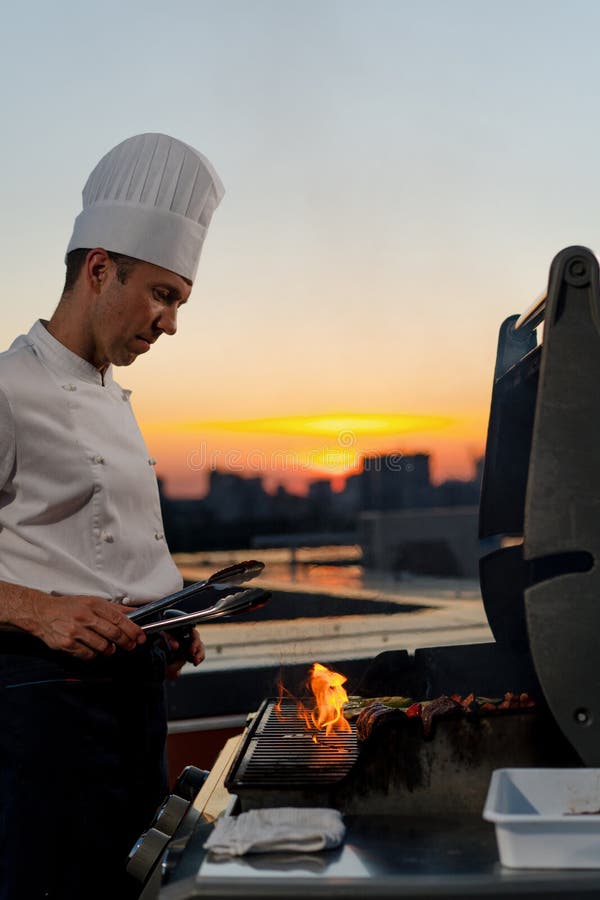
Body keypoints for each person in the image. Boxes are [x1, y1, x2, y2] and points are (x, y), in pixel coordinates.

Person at [0, 133, 224, 900]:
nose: (169, 324)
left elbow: (96, 559)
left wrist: (163, 617)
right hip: (42, 721)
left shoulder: (114, 399)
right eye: (162, 295)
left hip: (132, 711)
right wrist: (38, 611)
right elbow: (52, 594)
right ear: (100, 268)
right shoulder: (7, 390)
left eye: (178, 303)